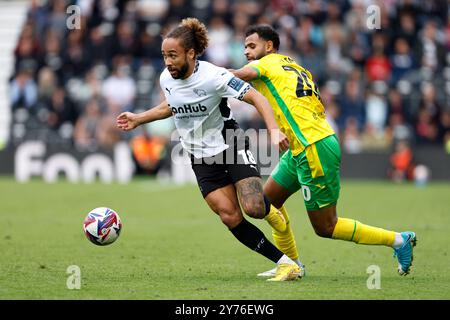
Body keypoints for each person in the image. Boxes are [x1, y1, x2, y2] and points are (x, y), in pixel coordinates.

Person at [116, 18, 304, 281]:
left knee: (254, 208)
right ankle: (286, 263)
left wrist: (273, 129)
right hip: (199, 156)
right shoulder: (166, 78)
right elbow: (172, 104)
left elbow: (257, 97)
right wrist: (139, 118)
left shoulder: (215, 76)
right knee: (229, 216)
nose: (168, 62)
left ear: (191, 53)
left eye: (173, 55)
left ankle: (268, 210)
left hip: (229, 143)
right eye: (164, 56)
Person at [231, 25, 417, 276]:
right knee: (268, 202)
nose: (246, 52)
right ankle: (292, 265)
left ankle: (398, 240)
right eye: (244, 47)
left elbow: (237, 75)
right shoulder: (293, 66)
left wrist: (202, 74)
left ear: (270, 47)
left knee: (326, 227)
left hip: (314, 148)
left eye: (251, 46)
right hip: (302, 147)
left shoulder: (268, 64)